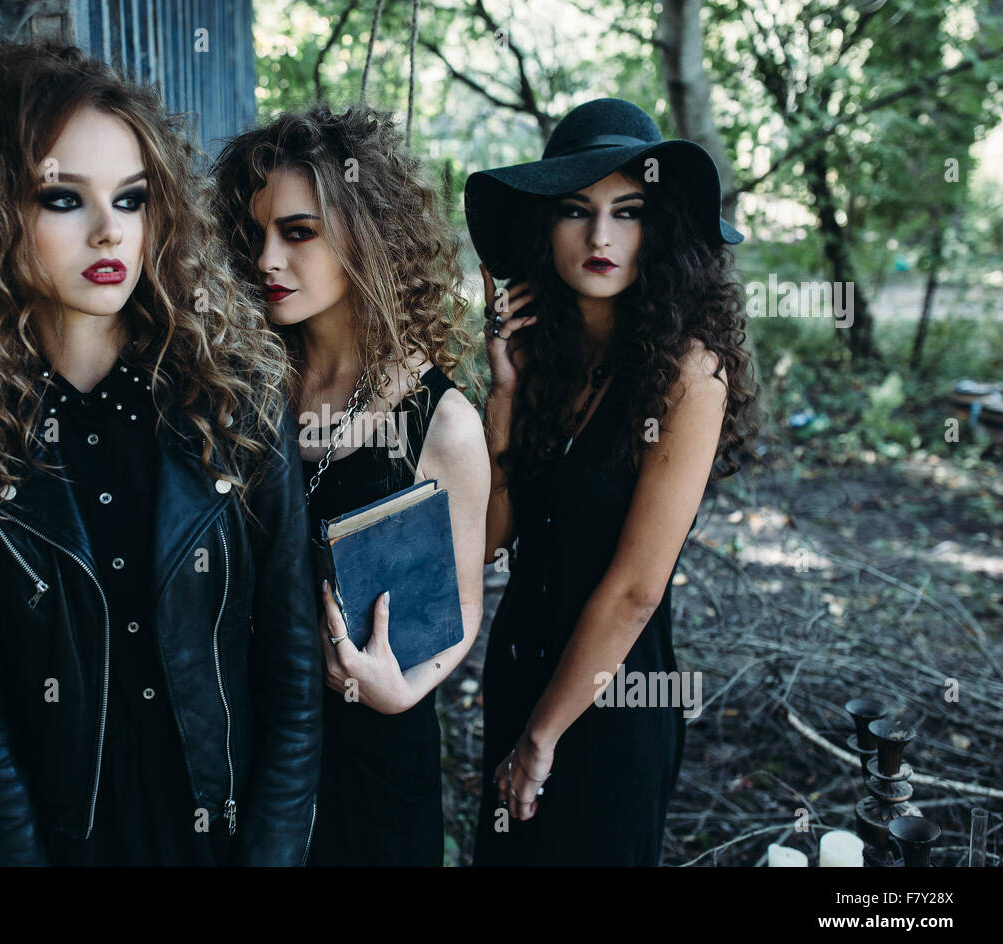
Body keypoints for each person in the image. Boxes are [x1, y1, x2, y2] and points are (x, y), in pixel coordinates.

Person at [0, 42, 322, 866]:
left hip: (216, 828)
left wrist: (271, 854)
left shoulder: (236, 391)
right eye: (61, 198)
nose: (108, 230)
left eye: (131, 198)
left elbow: (291, 667)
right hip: (67, 841)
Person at [465, 97, 758, 865]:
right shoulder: (544, 363)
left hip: (610, 698)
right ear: (544, 230)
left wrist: (541, 737)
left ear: (658, 231)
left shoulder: (689, 374)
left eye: (627, 212)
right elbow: (493, 541)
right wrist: (502, 394)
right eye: (576, 210)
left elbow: (636, 589)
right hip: (518, 670)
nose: (601, 237)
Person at [212, 106, 489, 866]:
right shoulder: (246, 382)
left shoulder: (443, 422)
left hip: (369, 741)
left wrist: (401, 689)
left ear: (365, 231)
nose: (268, 258)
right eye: (255, 234)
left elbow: (463, 608)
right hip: (250, 735)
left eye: (298, 232)